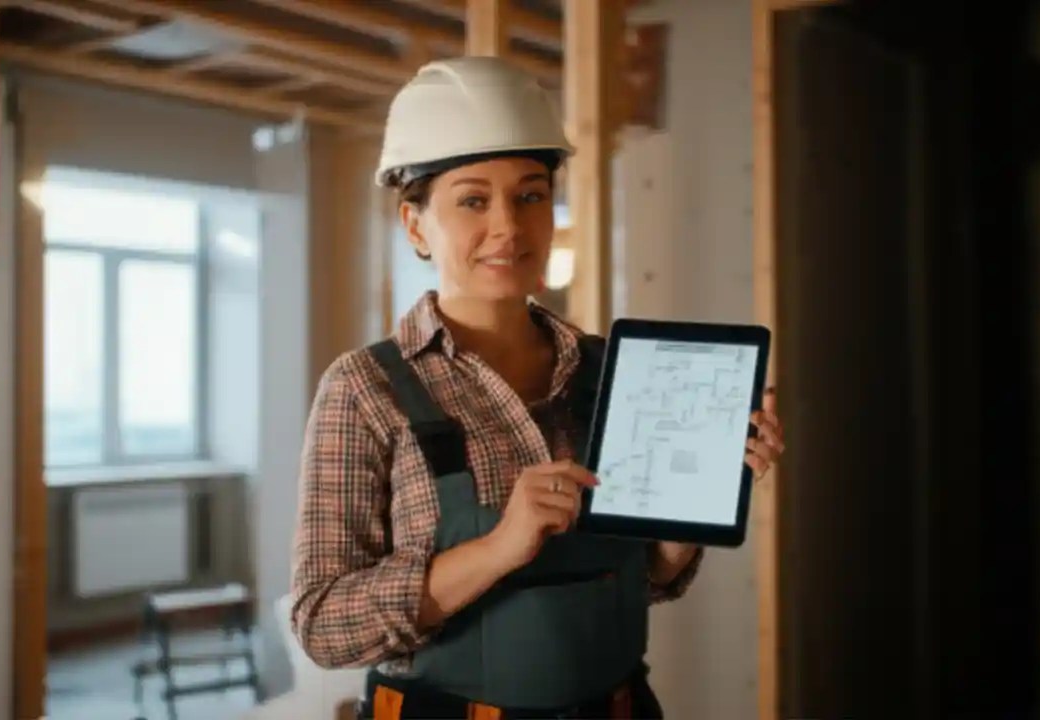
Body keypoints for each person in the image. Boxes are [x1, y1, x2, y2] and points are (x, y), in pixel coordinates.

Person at [290, 56, 786, 720]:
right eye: (473, 199)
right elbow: (323, 624)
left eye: (529, 194)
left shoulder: (611, 370)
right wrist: (498, 548)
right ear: (415, 225)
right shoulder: (365, 388)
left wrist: (699, 496)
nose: (509, 226)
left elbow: (652, 578)